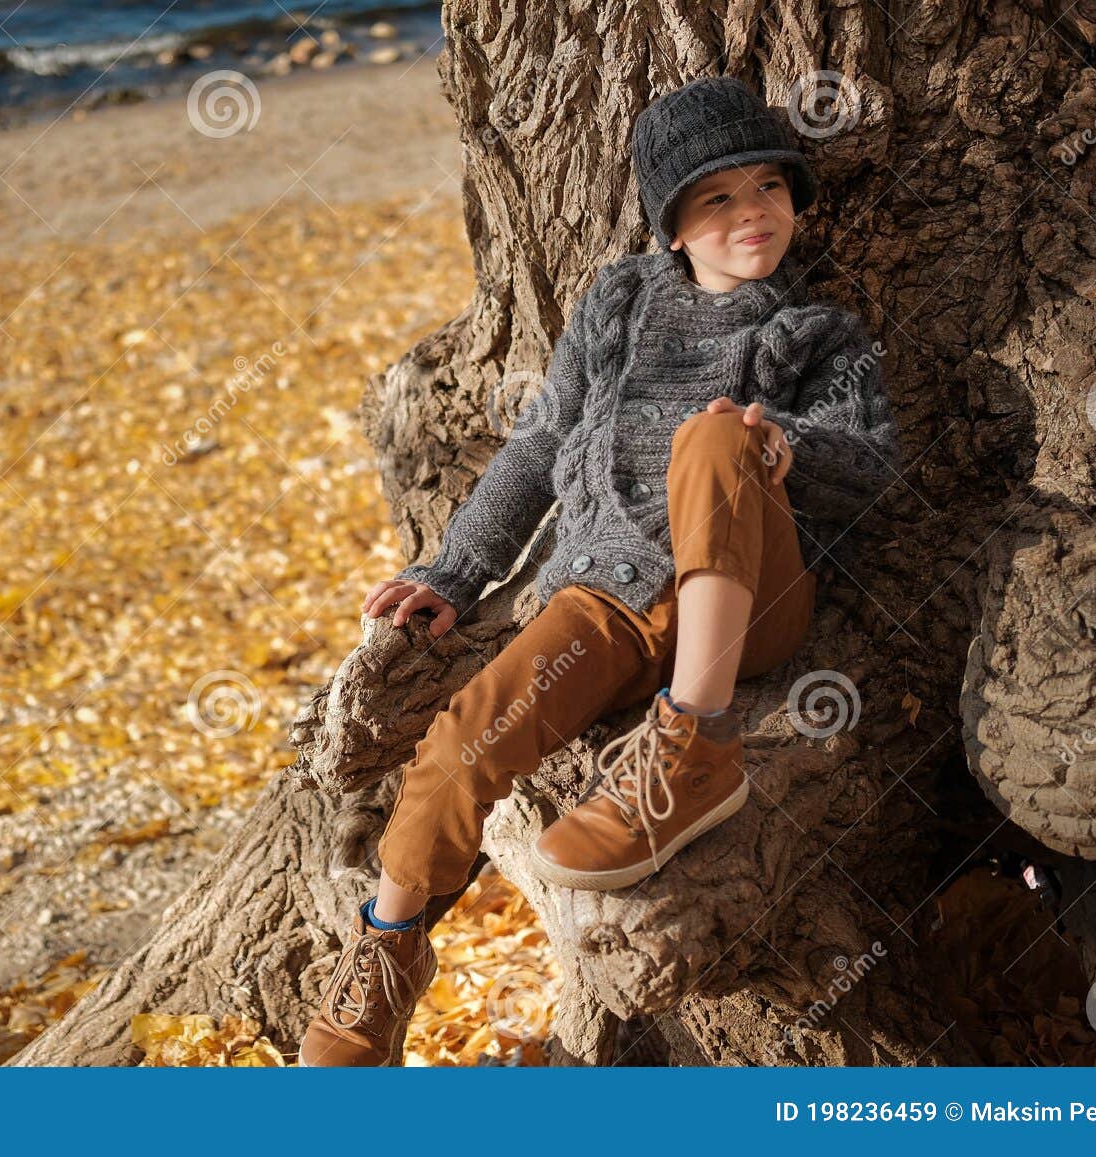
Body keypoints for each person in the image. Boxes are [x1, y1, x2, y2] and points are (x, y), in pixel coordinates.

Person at [296, 75, 901, 1067]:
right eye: (718, 196)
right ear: (671, 223)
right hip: (610, 595)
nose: (752, 212)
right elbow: (539, 447)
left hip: (753, 601)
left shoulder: (812, 330)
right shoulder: (619, 305)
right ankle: (387, 952)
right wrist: (456, 567)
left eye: (768, 188)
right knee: (460, 741)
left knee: (714, 438)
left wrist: (782, 445)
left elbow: (869, 462)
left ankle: (690, 748)